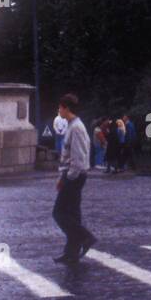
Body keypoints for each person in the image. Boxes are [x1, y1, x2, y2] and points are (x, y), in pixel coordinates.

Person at [52, 93, 95, 266]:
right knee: (73, 215)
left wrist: (66, 178)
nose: (58, 110)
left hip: (74, 176)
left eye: (60, 107)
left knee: (59, 213)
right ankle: (71, 253)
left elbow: (77, 159)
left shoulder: (76, 127)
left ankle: (85, 237)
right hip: (75, 175)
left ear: (66, 108)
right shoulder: (74, 125)